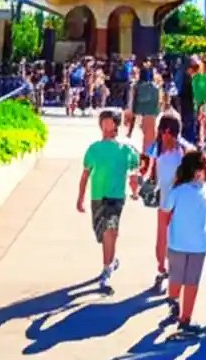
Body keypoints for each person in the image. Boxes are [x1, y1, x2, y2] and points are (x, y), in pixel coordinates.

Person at [76, 109, 142, 292]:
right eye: (102, 121)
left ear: (116, 125)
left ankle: (106, 269)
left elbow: (135, 169)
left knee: (109, 229)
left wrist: (136, 188)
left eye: (109, 121)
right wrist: (80, 198)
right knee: (102, 233)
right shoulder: (94, 149)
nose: (105, 124)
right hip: (97, 196)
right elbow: (85, 175)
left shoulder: (125, 149)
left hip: (116, 197)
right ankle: (112, 261)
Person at [164, 150, 206, 337]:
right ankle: (185, 319)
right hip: (199, 244)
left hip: (177, 242)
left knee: (175, 278)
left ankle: (173, 302)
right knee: (192, 282)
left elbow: (166, 210)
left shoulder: (176, 191)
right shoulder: (204, 190)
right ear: (199, 171)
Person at [147, 113, 193, 281]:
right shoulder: (156, 147)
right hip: (164, 199)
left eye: (170, 131)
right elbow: (147, 166)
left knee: (177, 235)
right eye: (163, 131)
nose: (166, 135)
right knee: (162, 235)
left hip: (180, 201)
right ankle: (161, 267)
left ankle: (176, 266)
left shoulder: (183, 149)